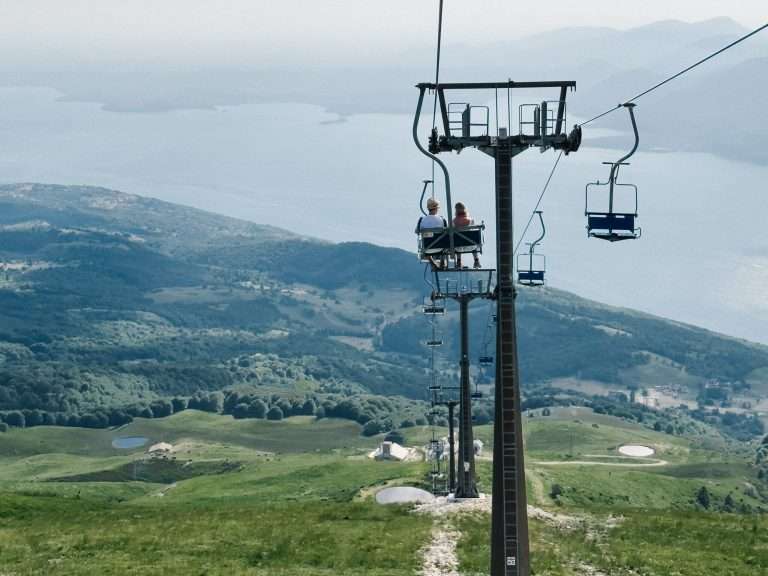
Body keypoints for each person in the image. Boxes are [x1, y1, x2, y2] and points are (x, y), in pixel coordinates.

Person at [416, 198, 447, 268]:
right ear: (436, 209)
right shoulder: (442, 219)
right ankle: (442, 260)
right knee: (445, 238)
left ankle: (431, 261)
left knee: (425, 241)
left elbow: (417, 231)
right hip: (440, 248)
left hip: (427, 249)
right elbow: (446, 232)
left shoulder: (422, 220)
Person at [453, 202, 481, 269]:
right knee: (473, 240)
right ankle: (476, 260)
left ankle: (459, 261)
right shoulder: (471, 220)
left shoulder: (453, 221)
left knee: (457, 241)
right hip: (470, 246)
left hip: (459, 248)